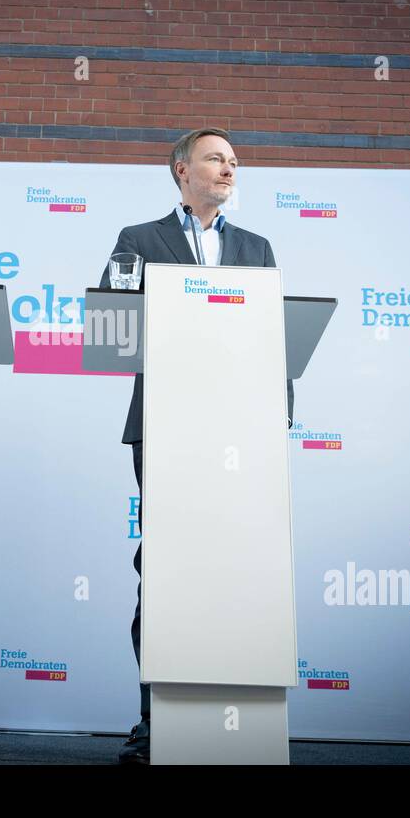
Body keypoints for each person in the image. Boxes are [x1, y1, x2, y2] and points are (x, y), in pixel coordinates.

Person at [98, 127, 294, 764]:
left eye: (235, 160)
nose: (230, 167)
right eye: (216, 157)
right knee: (163, 569)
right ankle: (155, 721)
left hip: (240, 430)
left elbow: (277, 343)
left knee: (233, 567)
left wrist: (277, 419)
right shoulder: (139, 239)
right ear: (181, 170)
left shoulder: (256, 247)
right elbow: (111, 322)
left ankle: (228, 720)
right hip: (164, 427)